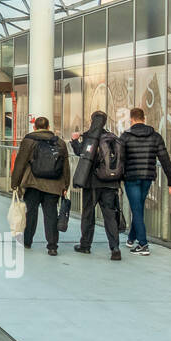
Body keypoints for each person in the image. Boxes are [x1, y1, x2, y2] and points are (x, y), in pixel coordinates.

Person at [120, 107, 171, 256]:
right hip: (147, 177)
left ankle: (143, 244)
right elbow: (165, 159)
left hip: (131, 178)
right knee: (138, 207)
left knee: (137, 209)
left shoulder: (125, 137)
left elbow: (120, 160)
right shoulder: (155, 136)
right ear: (144, 119)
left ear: (131, 120)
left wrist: (117, 178)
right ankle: (131, 238)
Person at [9, 116, 69, 255]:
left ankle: (28, 241)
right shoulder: (59, 142)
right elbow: (65, 165)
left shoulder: (29, 141)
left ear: (34, 127)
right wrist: (65, 185)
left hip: (33, 183)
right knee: (51, 215)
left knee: (31, 213)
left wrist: (15, 183)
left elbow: (20, 163)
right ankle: (52, 246)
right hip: (54, 185)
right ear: (48, 127)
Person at [70, 111, 125, 260]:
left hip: (92, 183)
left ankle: (85, 245)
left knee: (88, 214)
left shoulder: (90, 137)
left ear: (92, 120)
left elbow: (82, 153)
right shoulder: (112, 138)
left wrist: (74, 141)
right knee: (110, 216)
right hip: (110, 184)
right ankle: (115, 248)